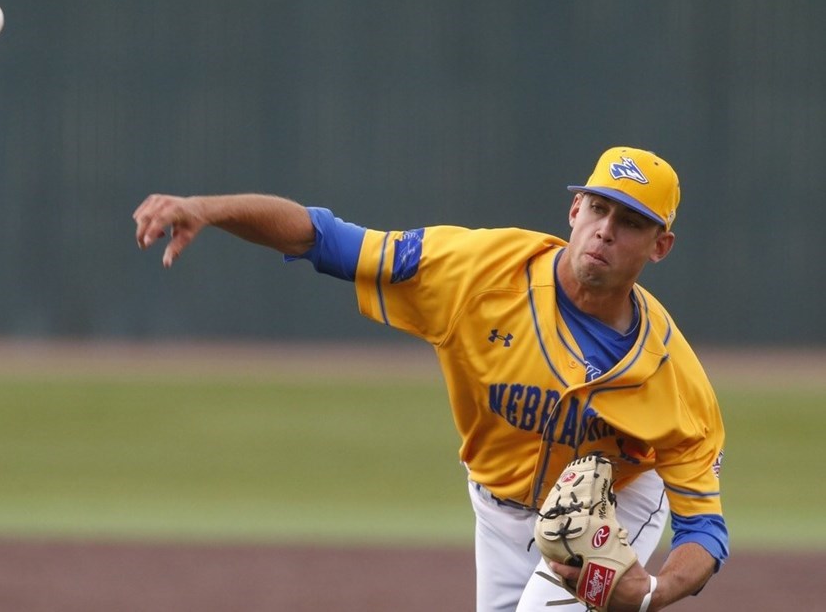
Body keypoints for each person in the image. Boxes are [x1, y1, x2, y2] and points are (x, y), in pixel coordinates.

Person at [132, 146, 729, 612]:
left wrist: (651, 592)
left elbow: (705, 529)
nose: (605, 230)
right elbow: (323, 237)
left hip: (610, 505)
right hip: (498, 509)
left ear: (660, 247)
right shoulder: (477, 273)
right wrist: (205, 208)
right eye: (598, 209)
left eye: (630, 222)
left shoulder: (672, 378)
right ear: (574, 212)